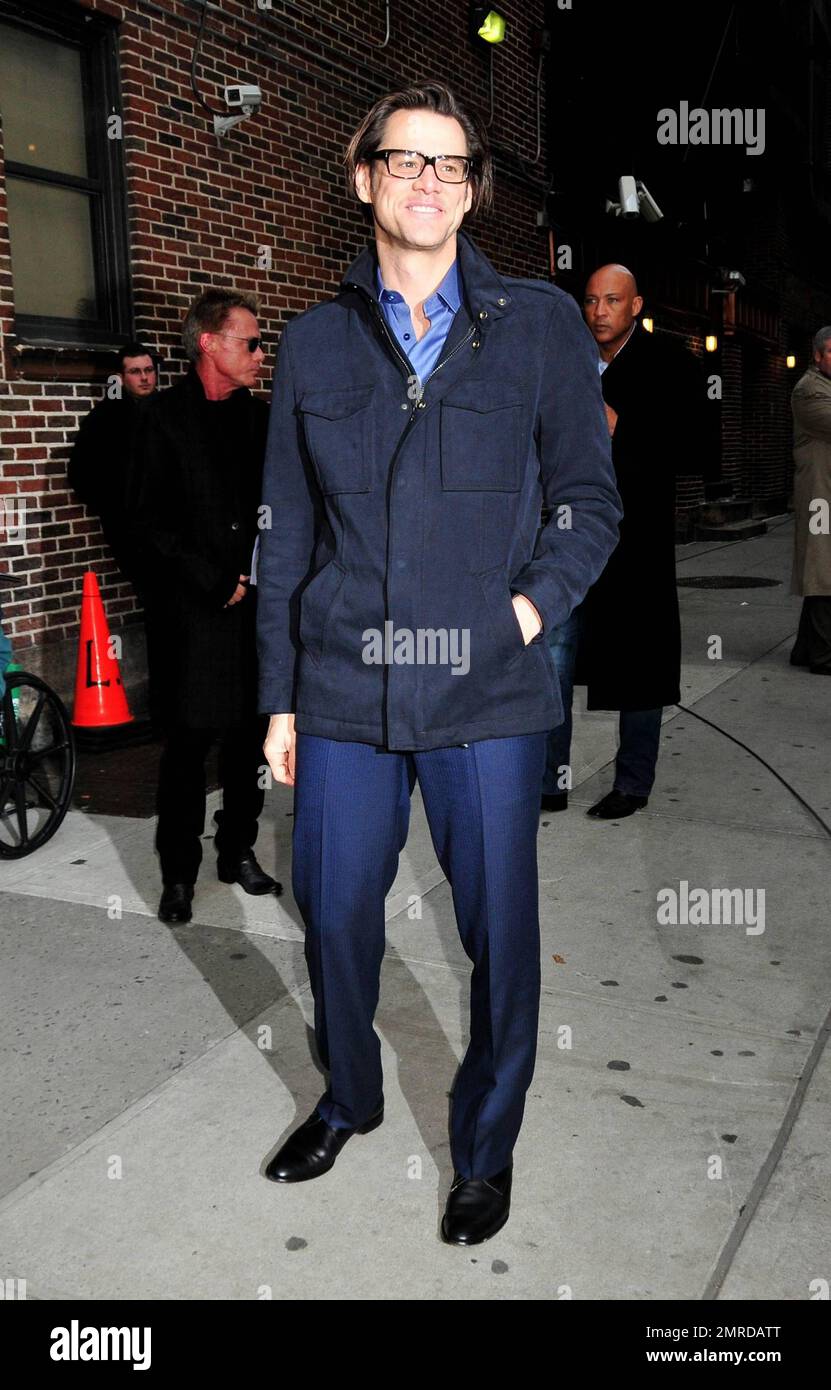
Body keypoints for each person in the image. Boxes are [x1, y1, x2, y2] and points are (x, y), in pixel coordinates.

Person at [256, 82, 621, 1245]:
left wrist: (523, 615)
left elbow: (588, 502)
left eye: (452, 166)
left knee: (499, 930)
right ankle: (352, 1097)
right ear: (362, 178)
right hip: (346, 687)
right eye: (406, 163)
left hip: (488, 695)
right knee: (335, 916)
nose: (430, 184)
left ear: (474, 188)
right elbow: (286, 531)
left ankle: (485, 1146)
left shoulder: (541, 323)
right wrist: (280, 694)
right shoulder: (312, 342)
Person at [133, 289, 281, 925]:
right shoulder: (159, 419)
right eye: (249, 342)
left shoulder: (262, 421)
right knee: (188, 745)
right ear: (208, 345)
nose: (258, 353)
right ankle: (178, 875)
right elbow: (144, 523)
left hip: (255, 610)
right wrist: (209, 578)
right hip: (192, 614)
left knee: (249, 741)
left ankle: (237, 851)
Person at [541, 263, 707, 819]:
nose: (598, 313)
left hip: (635, 544)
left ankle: (632, 784)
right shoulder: (564, 362)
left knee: (640, 666)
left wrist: (623, 426)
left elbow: (698, 451)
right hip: (565, 538)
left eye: (612, 301)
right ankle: (550, 780)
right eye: (590, 302)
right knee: (554, 657)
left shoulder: (673, 365)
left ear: (636, 306)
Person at [68, 342, 160, 584]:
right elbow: (79, 474)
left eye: (149, 370)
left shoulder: (170, 410)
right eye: (135, 371)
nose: (144, 378)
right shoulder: (103, 419)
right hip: (129, 527)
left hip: (172, 524)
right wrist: (116, 507)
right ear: (120, 377)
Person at [789, 326, 831, 675]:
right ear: (817, 355)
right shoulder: (809, 390)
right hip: (819, 495)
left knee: (822, 569)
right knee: (822, 571)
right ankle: (822, 656)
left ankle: (805, 649)